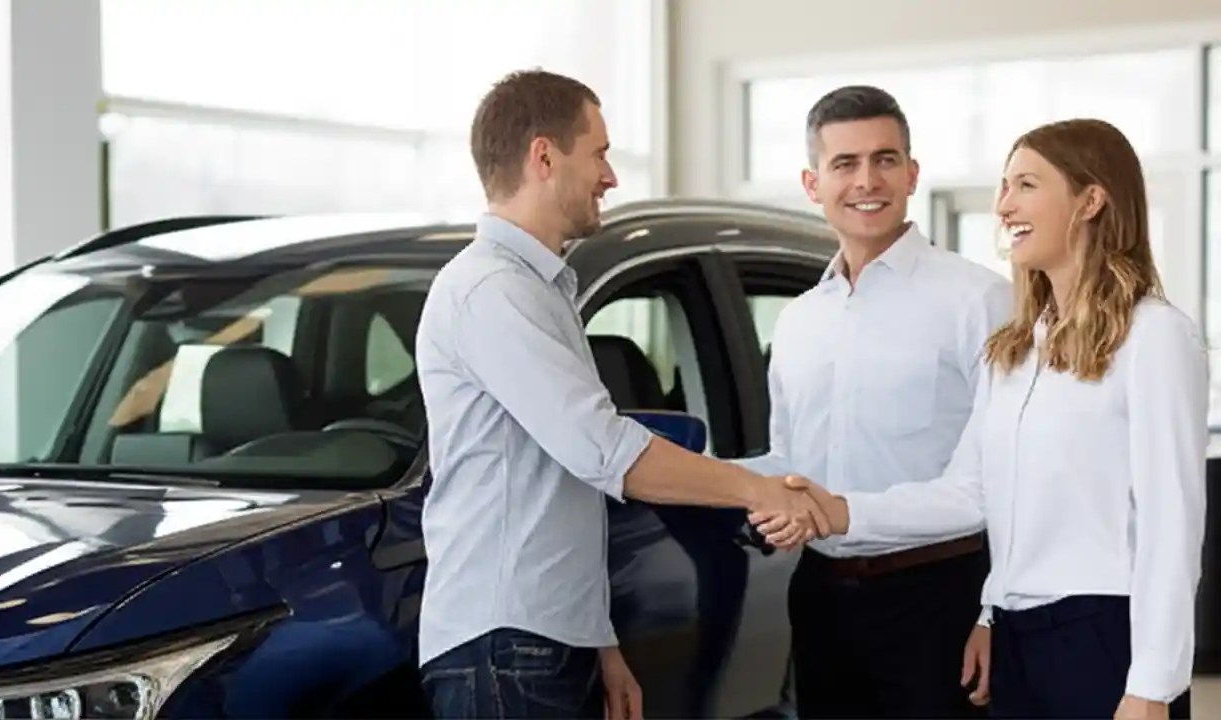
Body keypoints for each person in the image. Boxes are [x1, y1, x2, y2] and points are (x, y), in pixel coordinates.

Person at [758, 117, 1207, 720]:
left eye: (1025, 185)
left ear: (1091, 199)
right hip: (1019, 636)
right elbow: (975, 493)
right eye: (1003, 186)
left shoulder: (1154, 336)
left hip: (1103, 631)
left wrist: (1154, 682)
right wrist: (989, 612)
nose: (1003, 206)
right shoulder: (1018, 348)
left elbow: (1170, 523)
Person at [413, 69, 824, 720]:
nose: (610, 176)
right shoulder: (492, 292)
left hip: (539, 639)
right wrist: (759, 489)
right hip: (505, 647)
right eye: (600, 153)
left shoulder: (536, 290)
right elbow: (605, 450)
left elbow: (554, 490)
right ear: (543, 156)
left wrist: (599, 641)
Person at [733, 84, 1013, 718]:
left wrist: (995, 616)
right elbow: (789, 458)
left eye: (885, 160)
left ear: (912, 173)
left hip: (940, 596)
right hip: (819, 597)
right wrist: (688, 473)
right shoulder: (799, 321)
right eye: (845, 164)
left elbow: (1011, 479)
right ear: (812, 183)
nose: (868, 180)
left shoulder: (979, 302)